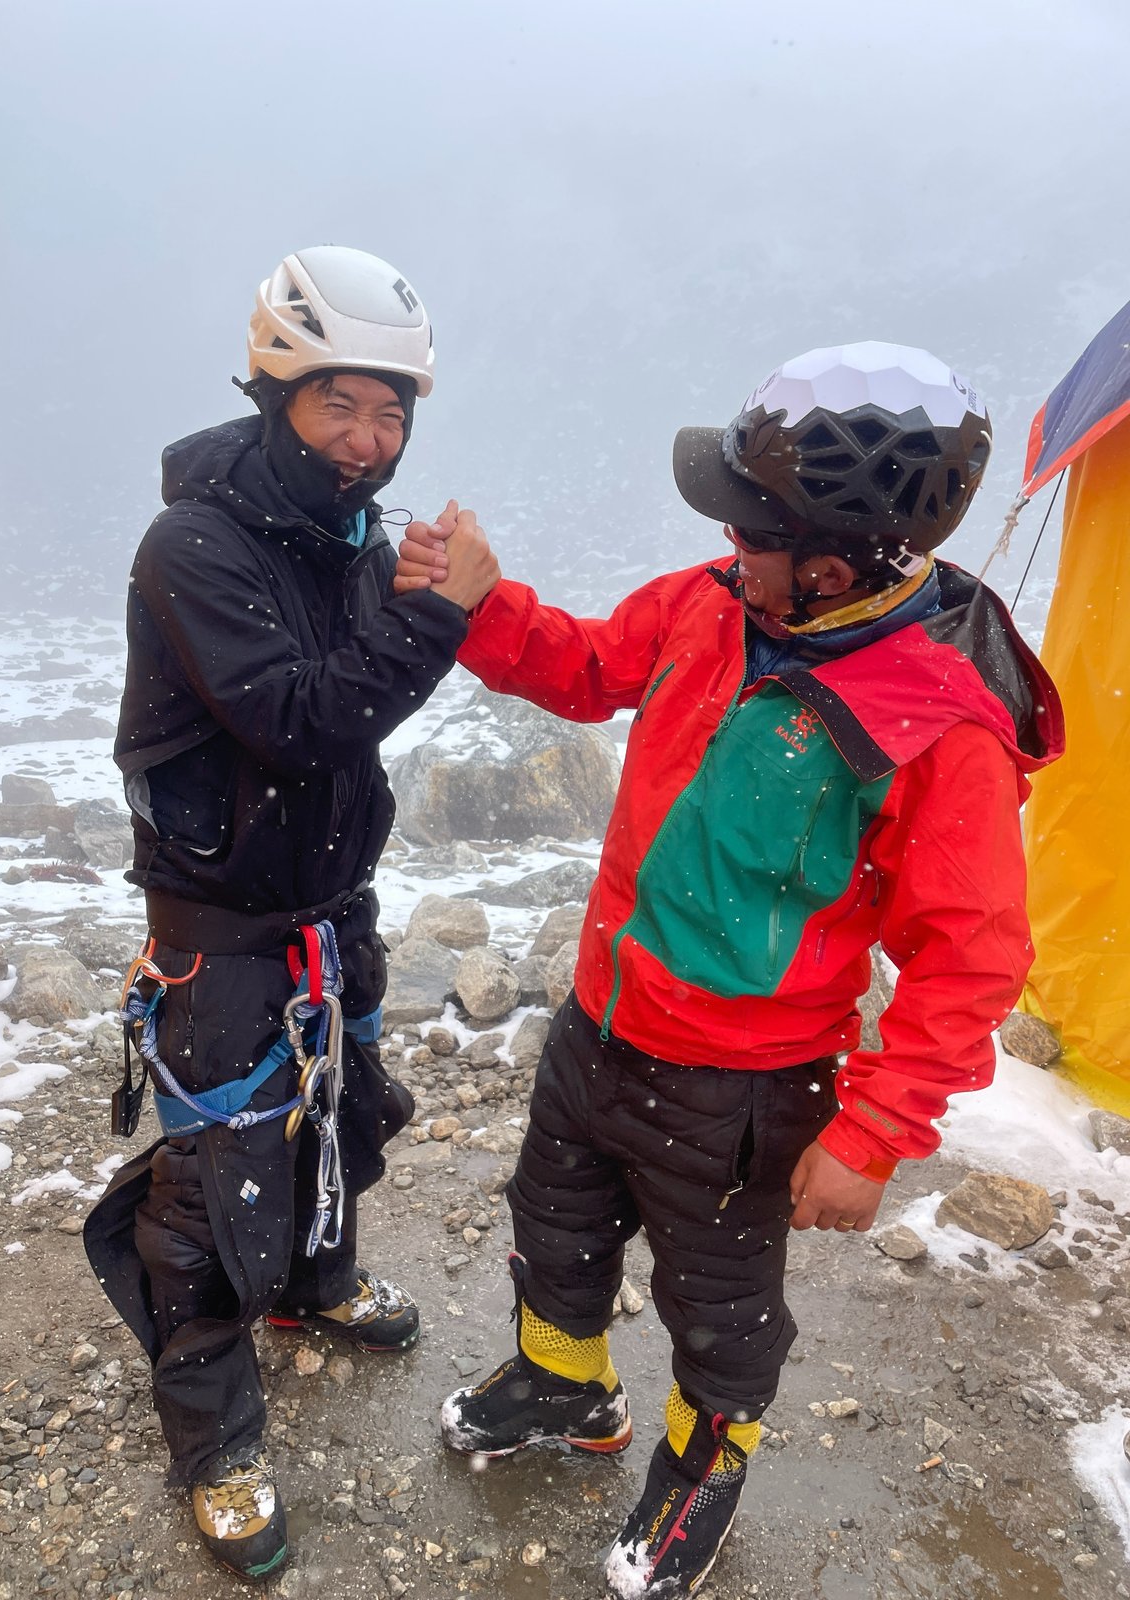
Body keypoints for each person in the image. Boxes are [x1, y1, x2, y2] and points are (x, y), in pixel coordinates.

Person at [394, 342, 1064, 1598]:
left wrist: (874, 1132)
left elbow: (970, 955)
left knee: (720, 1307)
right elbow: (593, 665)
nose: (721, 538)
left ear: (838, 557)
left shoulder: (939, 719)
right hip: (600, 1024)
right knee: (556, 1230)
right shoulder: (719, 600)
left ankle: (703, 1467)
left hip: (742, 1090)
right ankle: (565, 1381)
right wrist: (481, 604)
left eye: (750, 525)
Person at [83, 244, 497, 1581]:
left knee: (340, 1109)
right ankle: (214, 1442)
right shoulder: (193, 543)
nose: (370, 440)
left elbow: (349, 691)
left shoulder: (352, 534)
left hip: (329, 895)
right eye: (342, 406)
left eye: (392, 414)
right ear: (277, 388)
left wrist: (408, 591)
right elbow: (302, 719)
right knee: (216, 1182)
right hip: (220, 919)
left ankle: (315, 1287)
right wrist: (435, 617)